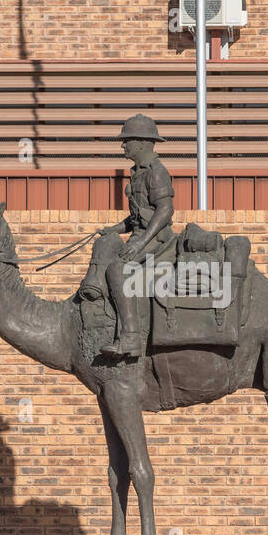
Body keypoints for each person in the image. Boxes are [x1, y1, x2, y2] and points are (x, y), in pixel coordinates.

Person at [80, 113, 176, 357]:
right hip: (141, 236)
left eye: (127, 140)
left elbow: (165, 210)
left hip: (156, 239)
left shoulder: (157, 171)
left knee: (118, 270)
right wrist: (114, 230)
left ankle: (131, 338)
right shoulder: (137, 172)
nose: (123, 145)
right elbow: (139, 217)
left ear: (142, 143)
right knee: (107, 244)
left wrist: (141, 242)